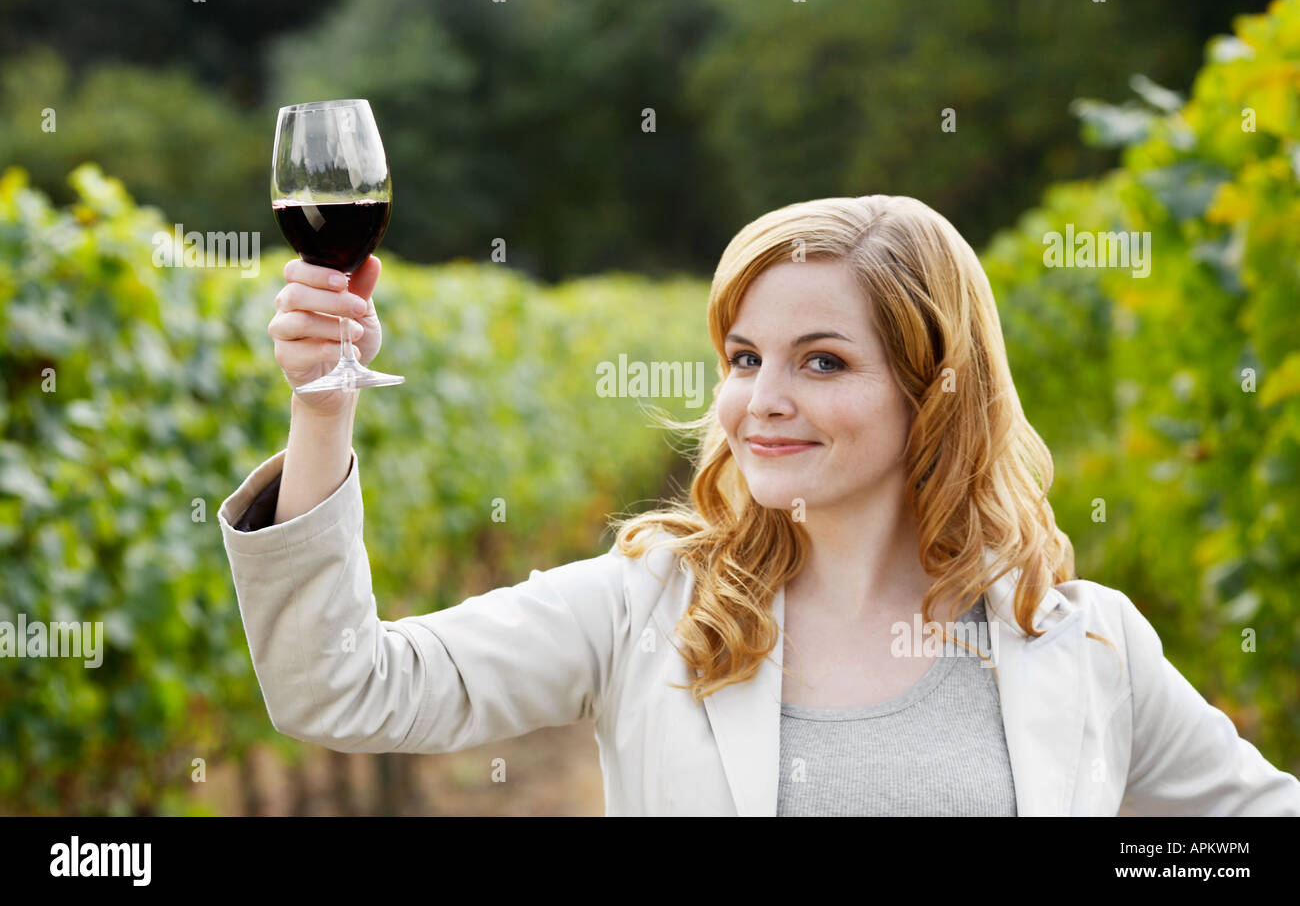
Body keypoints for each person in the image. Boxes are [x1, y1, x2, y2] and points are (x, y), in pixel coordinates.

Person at [219, 194, 1300, 816]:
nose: (761, 400)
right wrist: (322, 411)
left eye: (822, 361)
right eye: (743, 355)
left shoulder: (1082, 639)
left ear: (935, 389)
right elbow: (341, 690)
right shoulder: (643, 607)